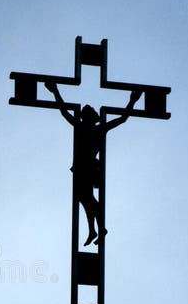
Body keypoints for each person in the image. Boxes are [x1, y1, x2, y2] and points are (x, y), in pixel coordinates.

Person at [45, 80, 142, 245]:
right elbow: (64, 112)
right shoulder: (90, 128)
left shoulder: (89, 128)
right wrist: (55, 92)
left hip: (87, 168)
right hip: (84, 168)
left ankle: (98, 229)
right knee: (84, 199)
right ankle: (94, 230)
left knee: (88, 199)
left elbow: (122, 119)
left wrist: (132, 101)